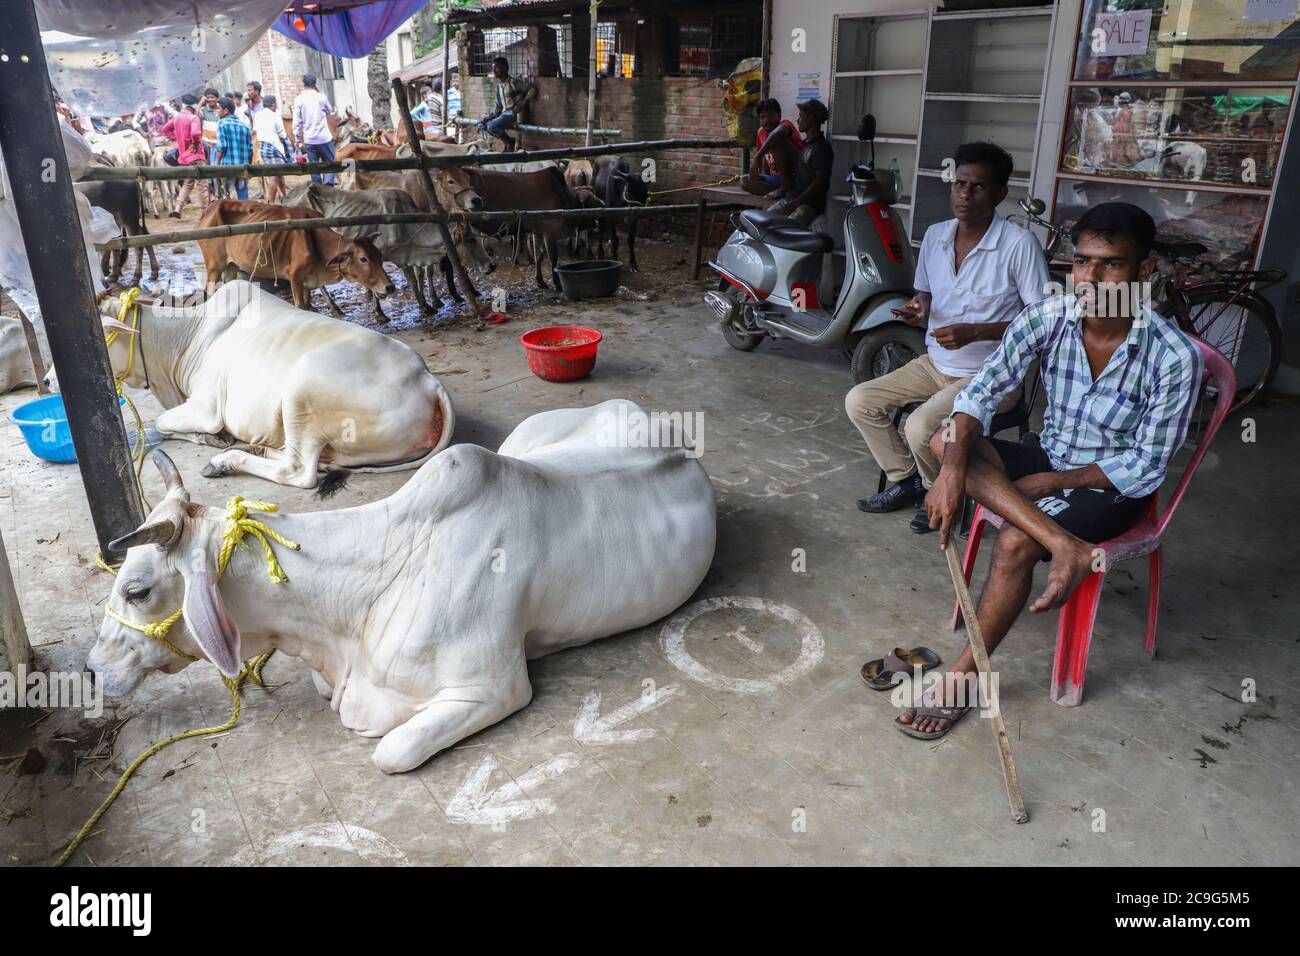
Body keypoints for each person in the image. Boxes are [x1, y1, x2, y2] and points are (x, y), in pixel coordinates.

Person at [894, 202, 1202, 740]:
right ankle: (1065, 545)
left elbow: (1147, 463)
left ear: (1145, 271)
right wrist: (949, 473)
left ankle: (964, 678)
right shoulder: (1049, 316)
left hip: (1108, 482)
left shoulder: (1174, 355)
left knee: (1014, 543)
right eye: (1082, 262)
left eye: (1111, 264)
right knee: (949, 438)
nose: (1091, 278)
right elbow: (982, 391)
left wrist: (1056, 483)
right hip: (1049, 451)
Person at [845, 141, 1049, 534]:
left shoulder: (1018, 245)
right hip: (935, 363)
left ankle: (933, 490)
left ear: (1001, 194)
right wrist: (917, 307)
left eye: (979, 187)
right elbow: (925, 294)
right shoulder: (936, 237)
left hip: (991, 375)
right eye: (960, 184)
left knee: (920, 427)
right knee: (860, 400)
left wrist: (977, 332)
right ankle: (904, 479)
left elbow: (1041, 323)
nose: (965, 195)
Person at [773, 99, 832, 226]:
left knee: (784, 229)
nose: (798, 120)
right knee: (762, 221)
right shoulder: (807, 145)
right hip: (792, 199)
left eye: (801, 116)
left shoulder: (821, 148)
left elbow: (819, 182)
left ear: (811, 118)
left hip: (807, 206)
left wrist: (795, 203)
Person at [742, 99, 802, 198]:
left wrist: (757, 157)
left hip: (795, 176)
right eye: (762, 117)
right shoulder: (761, 132)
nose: (767, 120)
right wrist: (763, 176)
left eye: (771, 116)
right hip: (777, 179)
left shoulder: (785, 125)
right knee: (744, 181)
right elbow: (766, 160)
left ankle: (785, 188)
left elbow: (778, 133)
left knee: (776, 142)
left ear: (779, 116)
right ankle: (785, 192)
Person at [162, 93, 208, 217]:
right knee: (202, 184)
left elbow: (165, 129)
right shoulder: (193, 118)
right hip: (196, 156)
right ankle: (205, 212)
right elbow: (195, 133)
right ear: (193, 106)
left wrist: (177, 138)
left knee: (187, 183)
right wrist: (195, 143)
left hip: (184, 158)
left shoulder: (177, 118)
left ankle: (178, 207)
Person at [479, 56, 535, 152]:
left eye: (496, 68)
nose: (494, 70)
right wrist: (488, 117)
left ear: (505, 68)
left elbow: (532, 89)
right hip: (503, 114)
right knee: (482, 125)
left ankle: (509, 142)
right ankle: (508, 142)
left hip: (511, 114)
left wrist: (523, 102)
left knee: (491, 126)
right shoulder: (498, 87)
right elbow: (498, 108)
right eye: (493, 68)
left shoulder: (514, 83)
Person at [294, 72, 337, 185]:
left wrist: (297, 140)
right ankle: (328, 184)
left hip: (309, 140)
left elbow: (297, 123)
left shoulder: (299, 99)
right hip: (324, 138)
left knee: (314, 168)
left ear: (304, 84)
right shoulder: (321, 97)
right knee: (331, 163)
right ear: (315, 83)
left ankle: (318, 189)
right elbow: (329, 112)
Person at [253, 94, 292, 204]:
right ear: (273, 104)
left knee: (279, 175)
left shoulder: (258, 115)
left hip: (263, 148)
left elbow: (255, 130)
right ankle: (270, 202)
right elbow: (282, 133)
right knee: (274, 176)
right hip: (274, 148)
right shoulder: (275, 115)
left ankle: (285, 197)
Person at [214, 95, 253, 201]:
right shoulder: (245, 126)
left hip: (228, 167)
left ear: (226, 110)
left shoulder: (222, 124)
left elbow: (221, 146)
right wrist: (249, 166)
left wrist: (217, 165)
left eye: (218, 108)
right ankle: (245, 216)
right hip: (243, 166)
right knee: (243, 196)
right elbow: (250, 150)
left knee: (224, 197)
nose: (217, 111)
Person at [199, 87, 223, 199]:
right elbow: (196, 117)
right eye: (208, 97)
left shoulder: (221, 110)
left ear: (217, 98)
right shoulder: (203, 111)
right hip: (207, 145)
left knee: (218, 168)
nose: (210, 99)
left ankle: (219, 192)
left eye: (212, 97)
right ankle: (213, 194)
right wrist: (200, 103)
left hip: (219, 145)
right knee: (209, 170)